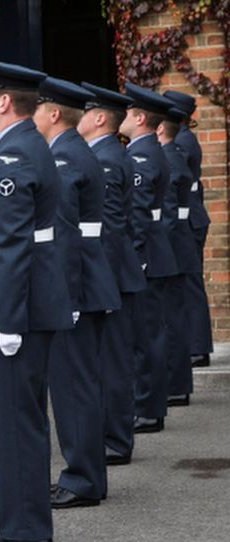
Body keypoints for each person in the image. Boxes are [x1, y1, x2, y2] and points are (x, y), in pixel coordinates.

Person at [0, 58, 72, 542]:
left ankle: (25, 533)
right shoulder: (22, 148)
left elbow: (12, 246)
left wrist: (9, 321)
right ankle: (25, 528)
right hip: (20, 304)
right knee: (20, 420)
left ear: (3, 102)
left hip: (14, 309)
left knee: (15, 422)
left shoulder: (15, 157)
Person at [34, 77, 120, 509]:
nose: (31, 115)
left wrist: (62, 299)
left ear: (53, 114)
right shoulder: (69, 153)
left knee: (73, 388)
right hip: (85, 284)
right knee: (80, 385)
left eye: (38, 108)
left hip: (76, 289)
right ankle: (87, 475)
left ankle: (82, 478)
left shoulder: (64, 158)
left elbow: (63, 237)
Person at [78, 82, 147, 466]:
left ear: (99, 118)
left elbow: (106, 230)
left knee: (113, 362)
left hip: (112, 276)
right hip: (114, 274)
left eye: (84, 112)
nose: (79, 119)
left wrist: (93, 279)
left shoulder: (104, 159)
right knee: (108, 360)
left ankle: (116, 441)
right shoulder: (104, 154)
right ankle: (111, 435)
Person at [118, 83, 179, 435]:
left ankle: (148, 408)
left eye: (128, 112)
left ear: (140, 118)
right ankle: (148, 405)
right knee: (146, 334)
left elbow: (138, 215)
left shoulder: (141, 155)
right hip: (154, 254)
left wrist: (135, 258)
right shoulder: (145, 150)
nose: (122, 118)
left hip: (148, 258)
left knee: (145, 337)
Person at [163, 90, 213, 368]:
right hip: (192, 217)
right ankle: (196, 345)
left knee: (190, 284)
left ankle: (198, 346)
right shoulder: (183, 139)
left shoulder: (182, 142)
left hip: (190, 220)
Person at [157, 106, 198, 407]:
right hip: (177, 246)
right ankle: (177, 384)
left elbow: (168, 214)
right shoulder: (172, 156)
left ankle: (176, 385)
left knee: (171, 319)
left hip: (172, 249)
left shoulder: (170, 158)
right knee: (173, 317)